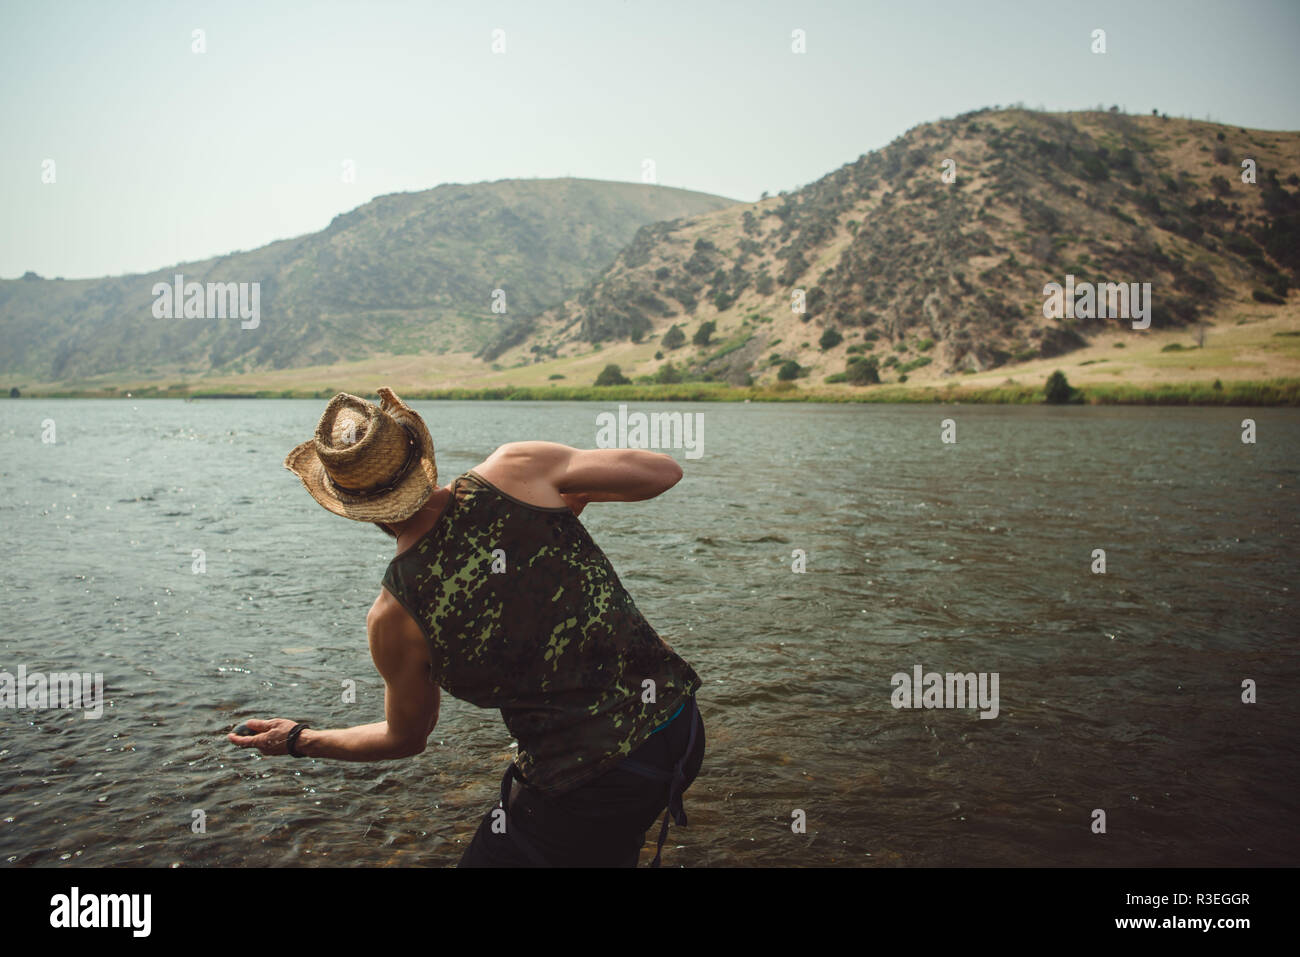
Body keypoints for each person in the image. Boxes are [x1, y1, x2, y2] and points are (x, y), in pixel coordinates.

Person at [228, 387, 704, 867]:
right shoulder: (515, 467)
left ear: (348, 504)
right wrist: (573, 495)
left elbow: (406, 738)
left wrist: (298, 740)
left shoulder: (393, 617)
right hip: (679, 729)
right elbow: (663, 472)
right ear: (419, 455)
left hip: (587, 780)